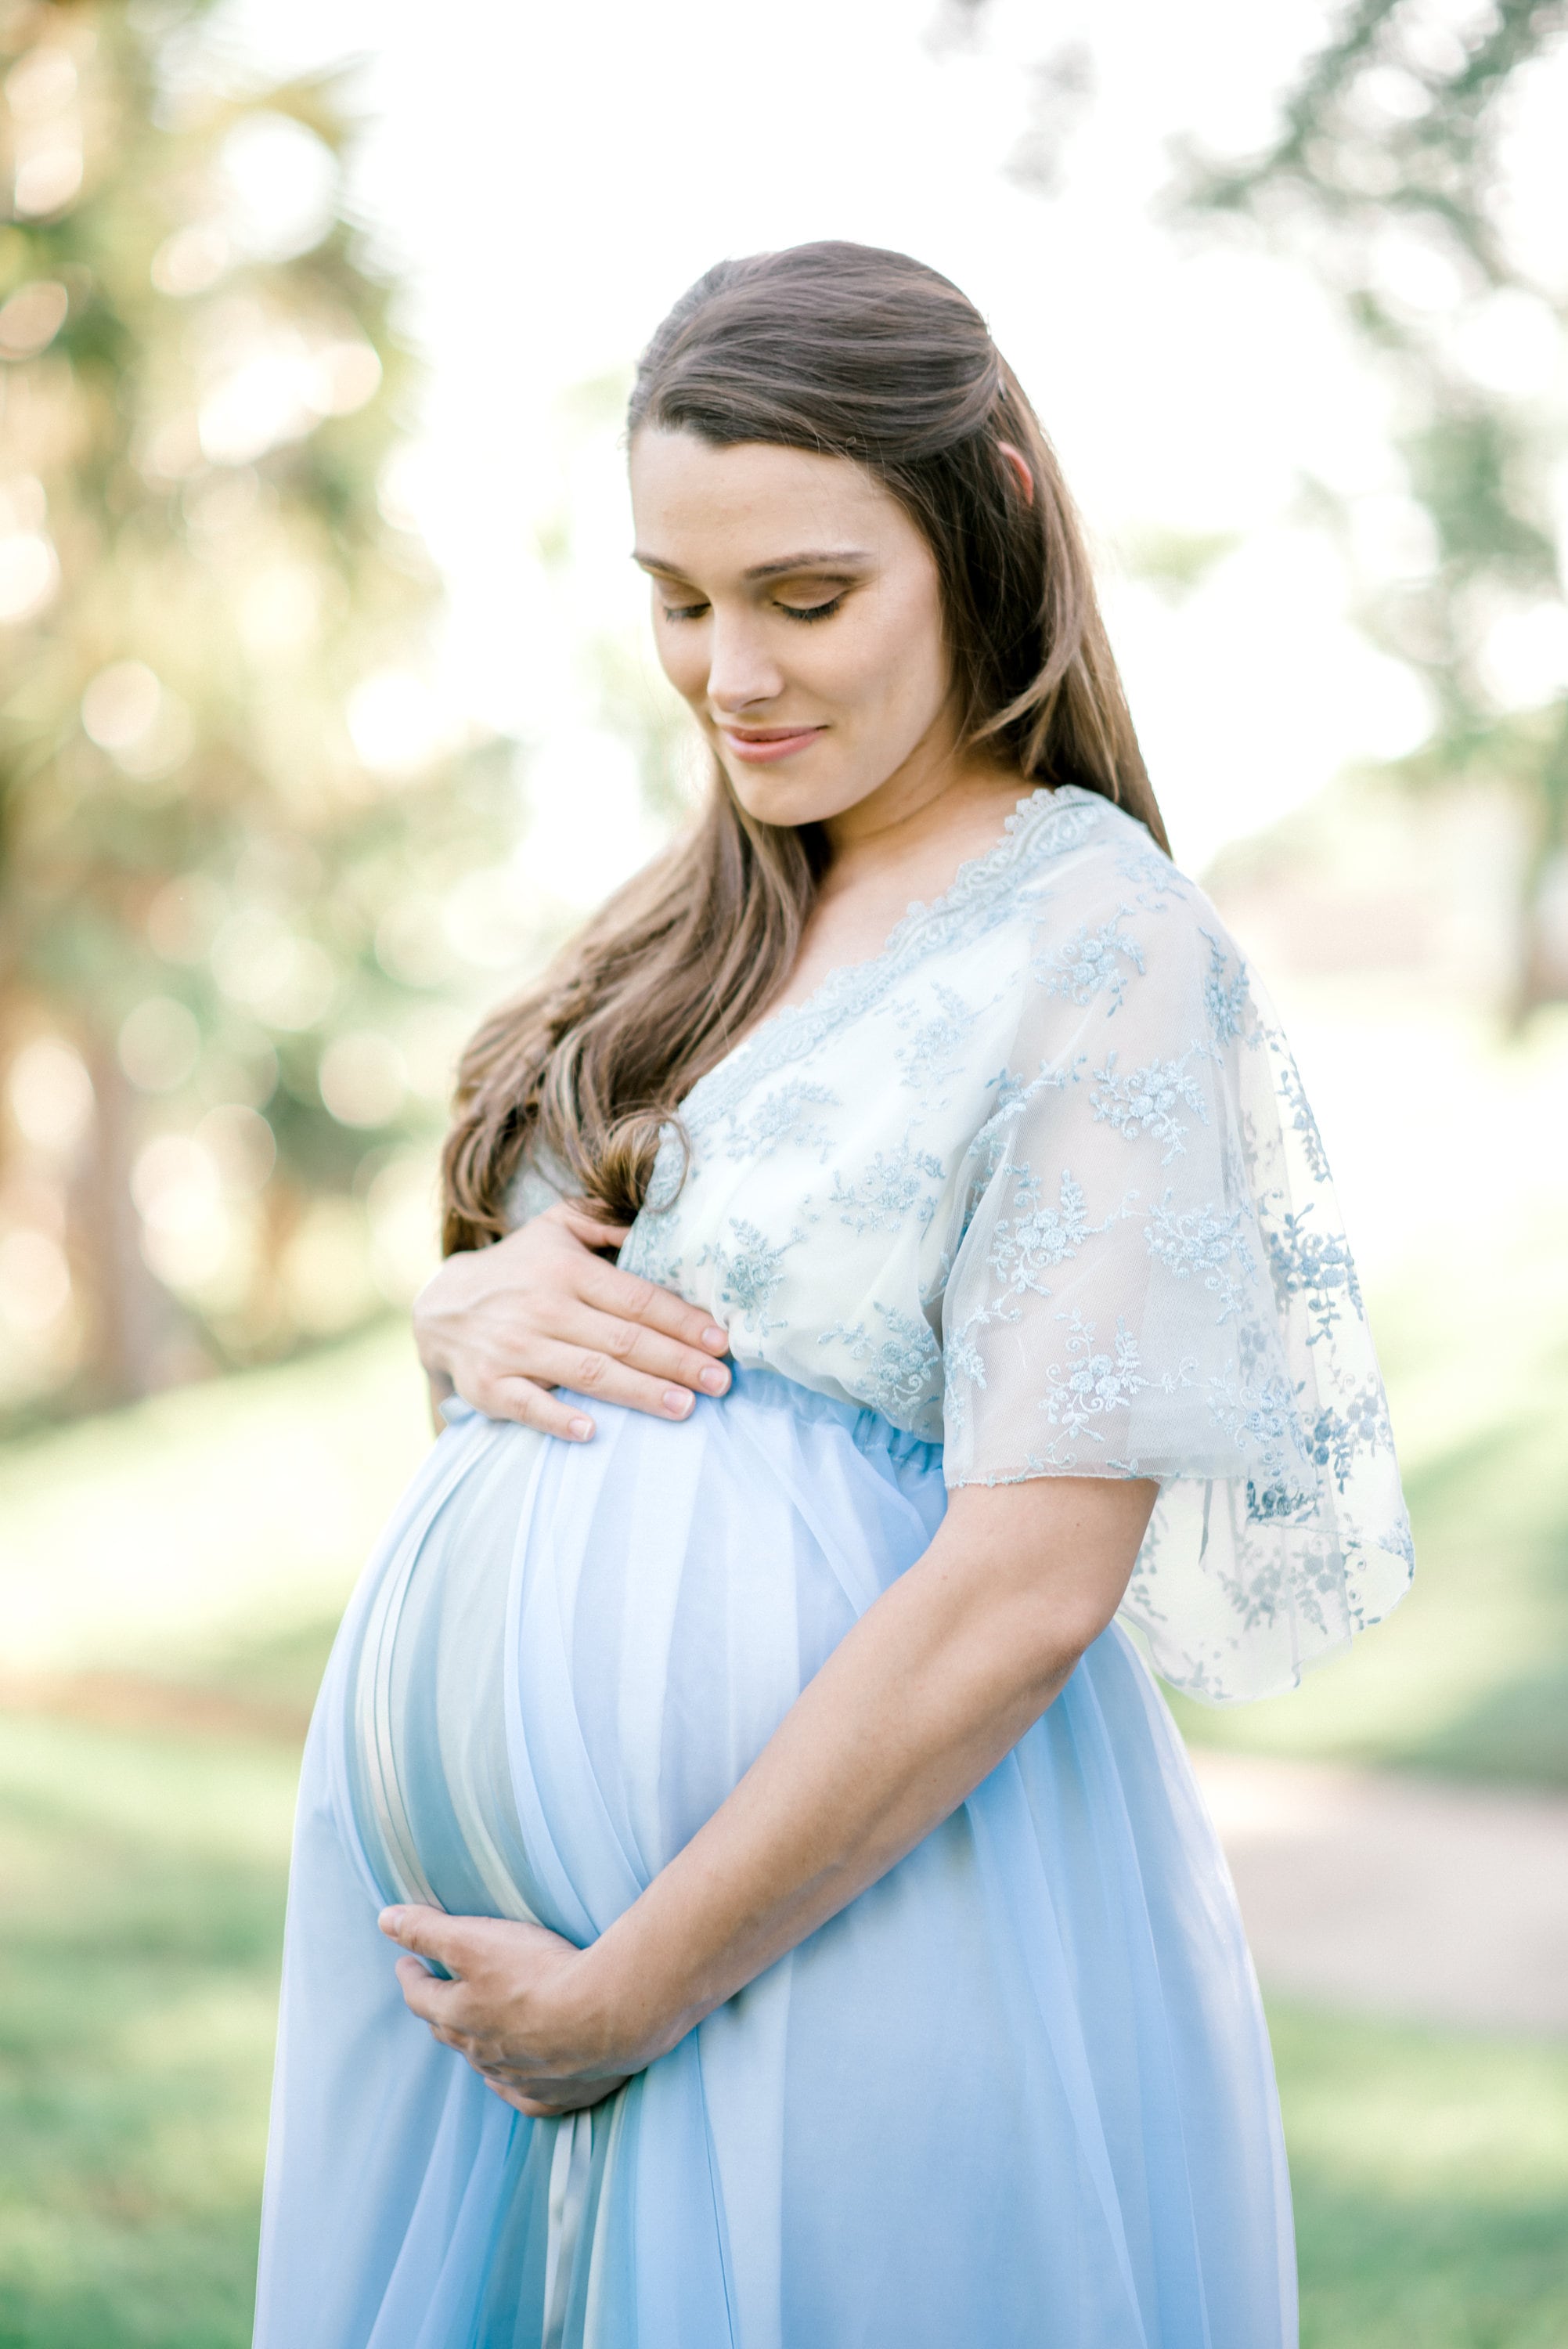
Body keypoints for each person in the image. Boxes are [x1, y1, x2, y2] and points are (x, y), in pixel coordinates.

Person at [253, 242, 1412, 2349]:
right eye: (676, 604)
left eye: (803, 597)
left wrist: (628, 1987)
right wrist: (465, 1313)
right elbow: (570, 1379)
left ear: (991, 515)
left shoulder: (1093, 935)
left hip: (828, 1942)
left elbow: (1028, 1582)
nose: (727, 674)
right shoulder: (686, 927)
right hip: (492, 1991)